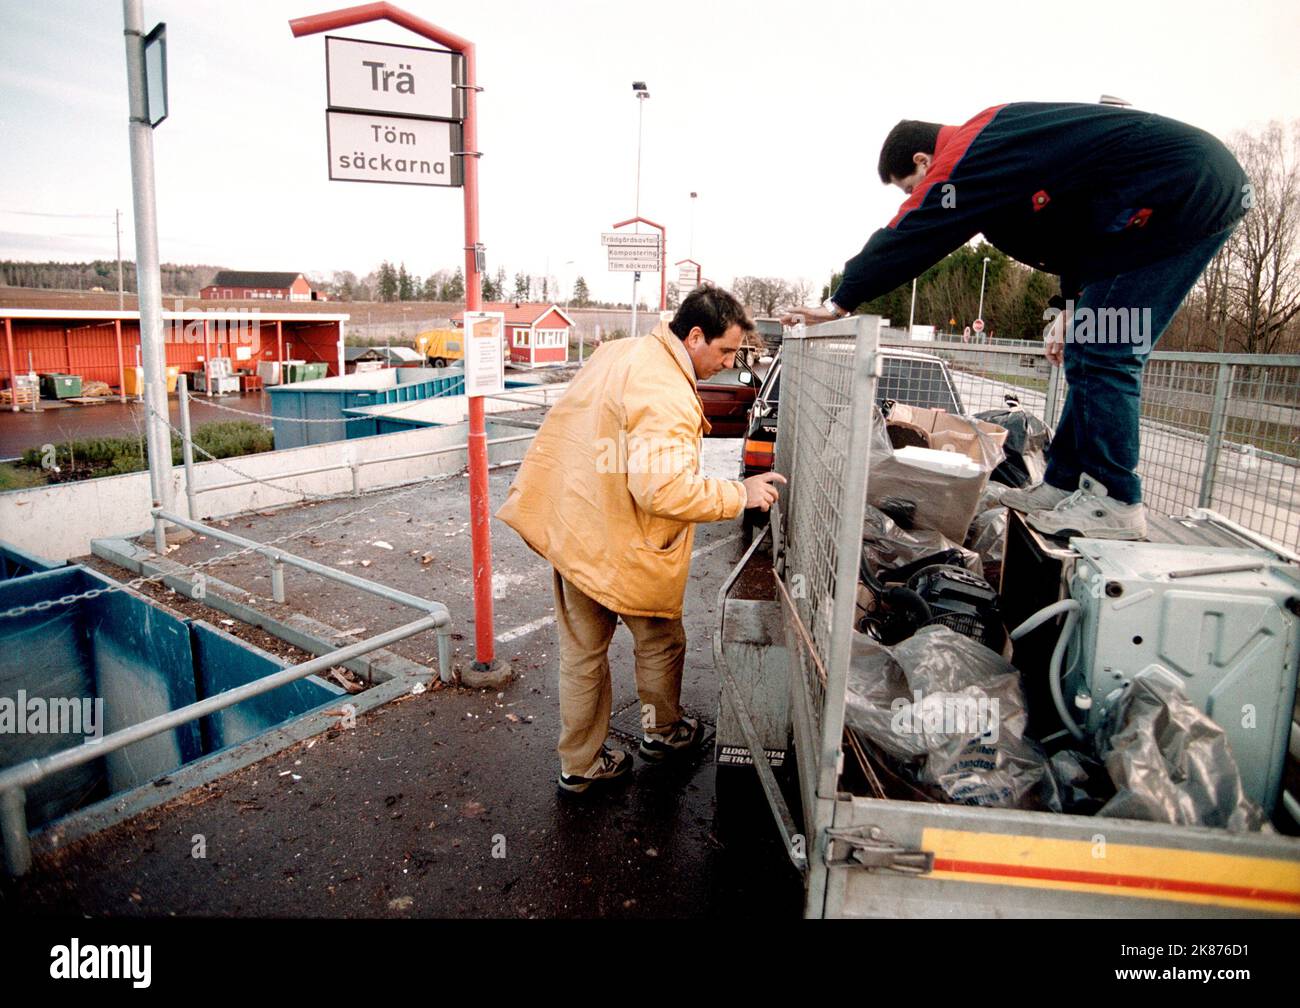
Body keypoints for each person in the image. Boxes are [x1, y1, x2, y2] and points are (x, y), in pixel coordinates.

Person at [787, 102, 1248, 539]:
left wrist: (840, 301)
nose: (917, 194)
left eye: (912, 185)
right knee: (1087, 345)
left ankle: (1118, 501)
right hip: (1155, 208)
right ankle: (1064, 483)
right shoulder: (1013, 159)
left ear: (925, 160)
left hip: (1182, 193)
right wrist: (1070, 310)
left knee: (1108, 352)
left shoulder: (973, 147)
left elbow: (917, 227)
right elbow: (1076, 236)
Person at [497, 285, 788, 793]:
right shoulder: (669, 393)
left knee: (583, 653)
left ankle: (580, 765)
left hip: (578, 529)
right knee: (660, 642)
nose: (727, 363)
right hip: (628, 544)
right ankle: (662, 731)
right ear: (695, 336)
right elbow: (664, 490)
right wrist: (739, 494)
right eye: (723, 351)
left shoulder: (619, 352)